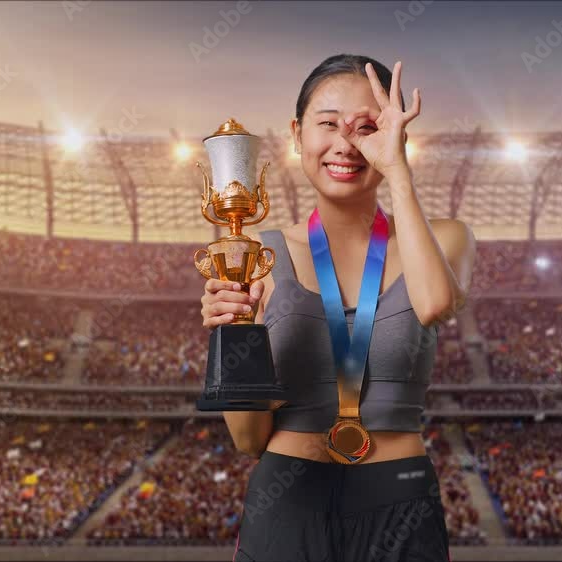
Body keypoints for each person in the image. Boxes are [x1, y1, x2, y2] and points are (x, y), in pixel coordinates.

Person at [200, 54, 475, 562]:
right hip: (287, 501)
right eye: (328, 124)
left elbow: (434, 304)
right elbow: (248, 439)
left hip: (400, 500)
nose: (346, 144)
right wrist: (234, 331)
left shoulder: (445, 238)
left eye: (367, 127)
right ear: (296, 134)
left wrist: (397, 171)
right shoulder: (253, 255)